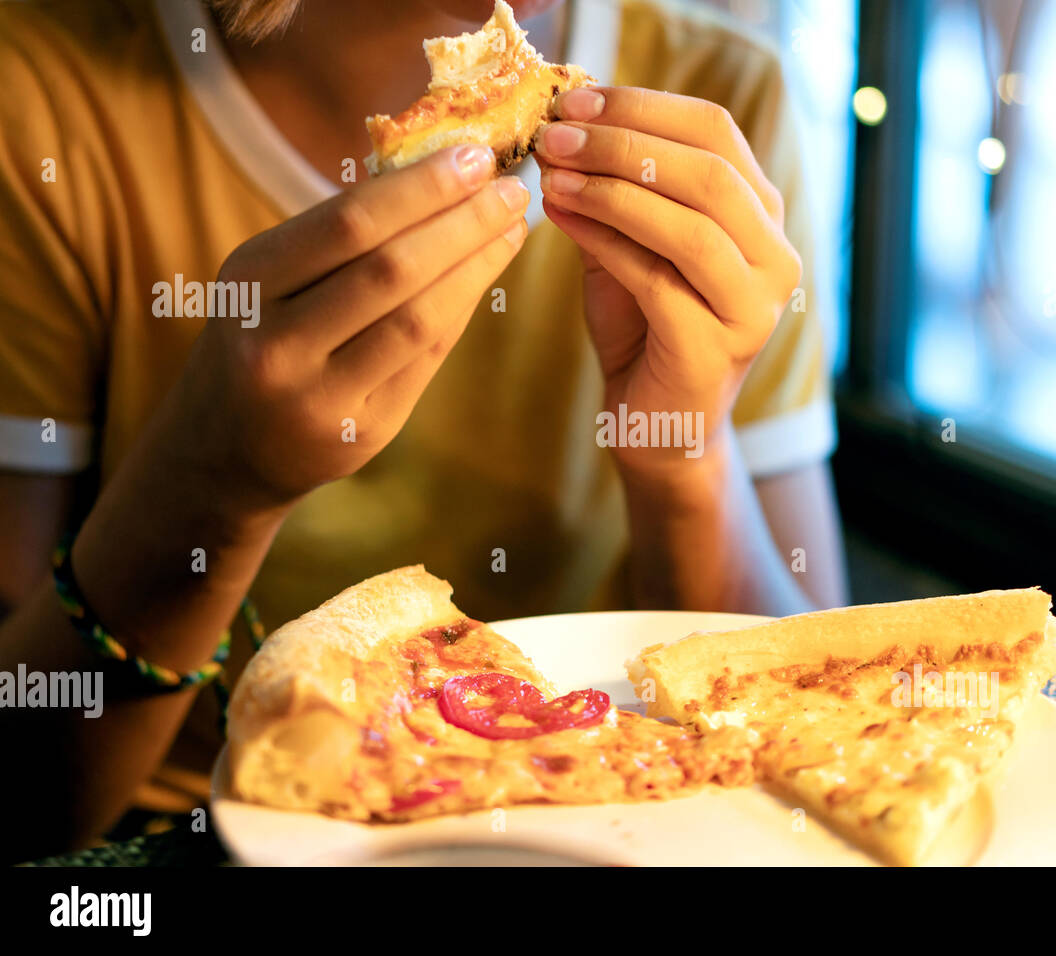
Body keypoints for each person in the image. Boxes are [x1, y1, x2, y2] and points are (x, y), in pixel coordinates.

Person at [0, 0, 846, 859]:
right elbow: (21, 792)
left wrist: (684, 458)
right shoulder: (38, 95)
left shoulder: (724, 104)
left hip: (620, 815)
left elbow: (812, 752)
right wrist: (210, 489)